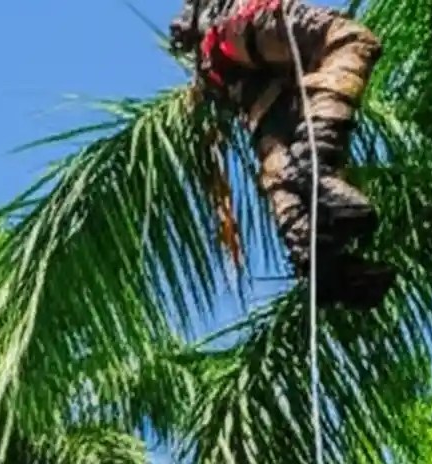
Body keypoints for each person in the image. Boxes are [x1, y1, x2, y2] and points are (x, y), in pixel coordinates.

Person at [169, 0, 396, 309]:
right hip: (238, 27)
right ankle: (317, 166)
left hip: (240, 71)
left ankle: (314, 253)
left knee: (281, 136)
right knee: (349, 40)